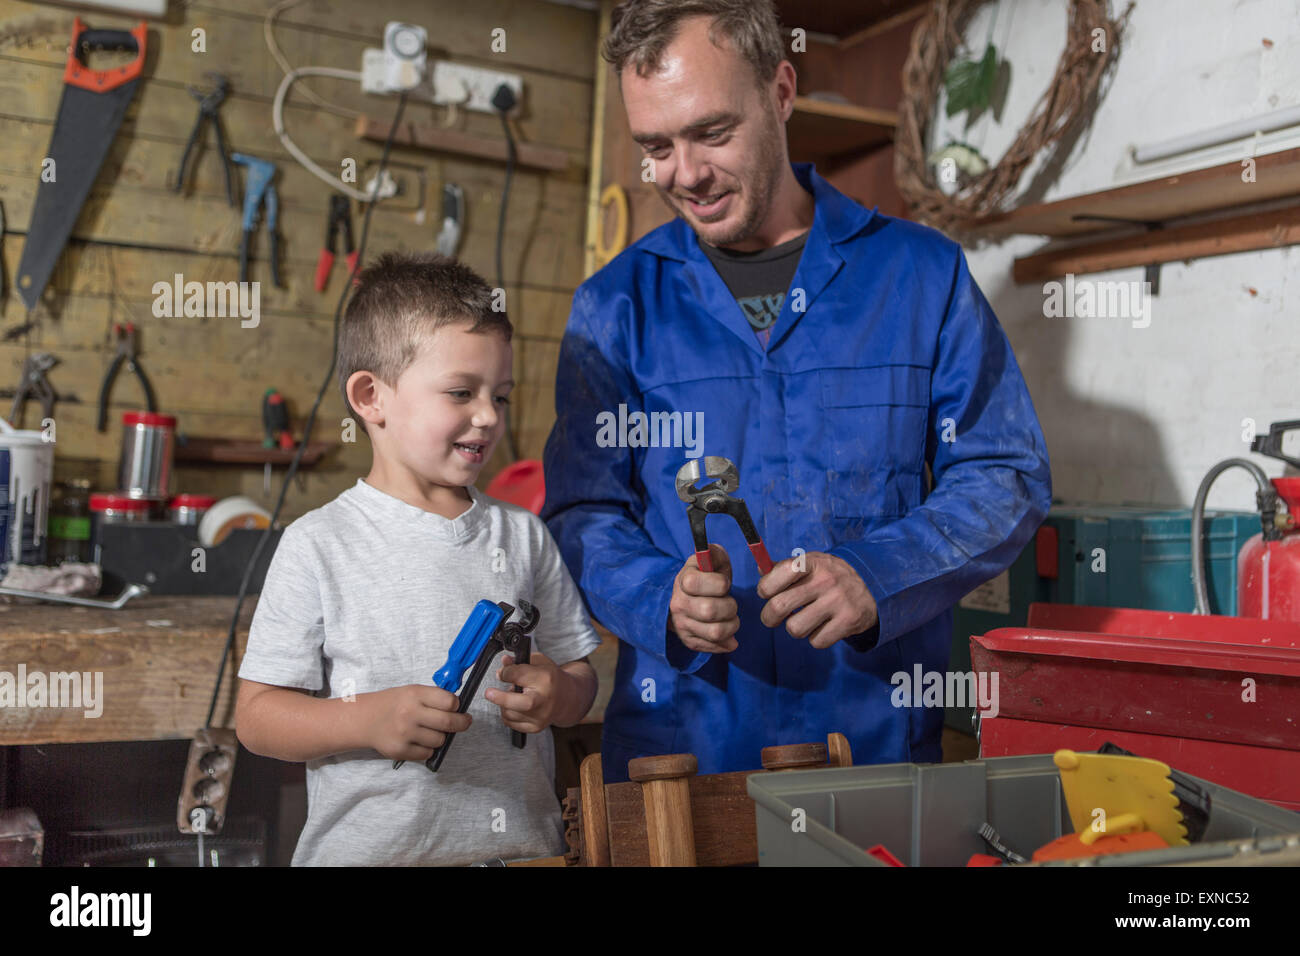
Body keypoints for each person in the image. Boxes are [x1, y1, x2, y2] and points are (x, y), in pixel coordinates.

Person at [542, 0, 1052, 783]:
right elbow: (584, 511)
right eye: (656, 147)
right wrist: (658, 598)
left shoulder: (921, 277)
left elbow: (1003, 475)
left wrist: (878, 573)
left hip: (871, 752)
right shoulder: (616, 306)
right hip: (679, 761)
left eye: (713, 132)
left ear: (781, 93)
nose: (686, 174)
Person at [236, 253, 601, 865]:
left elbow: (581, 677)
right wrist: (364, 720)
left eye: (500, 397)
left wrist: (556, 694)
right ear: (371, 396)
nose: (487, 416)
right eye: (461, 392)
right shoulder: (318, 544)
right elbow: (257, 718)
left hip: (521, 855)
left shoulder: (525, 535)